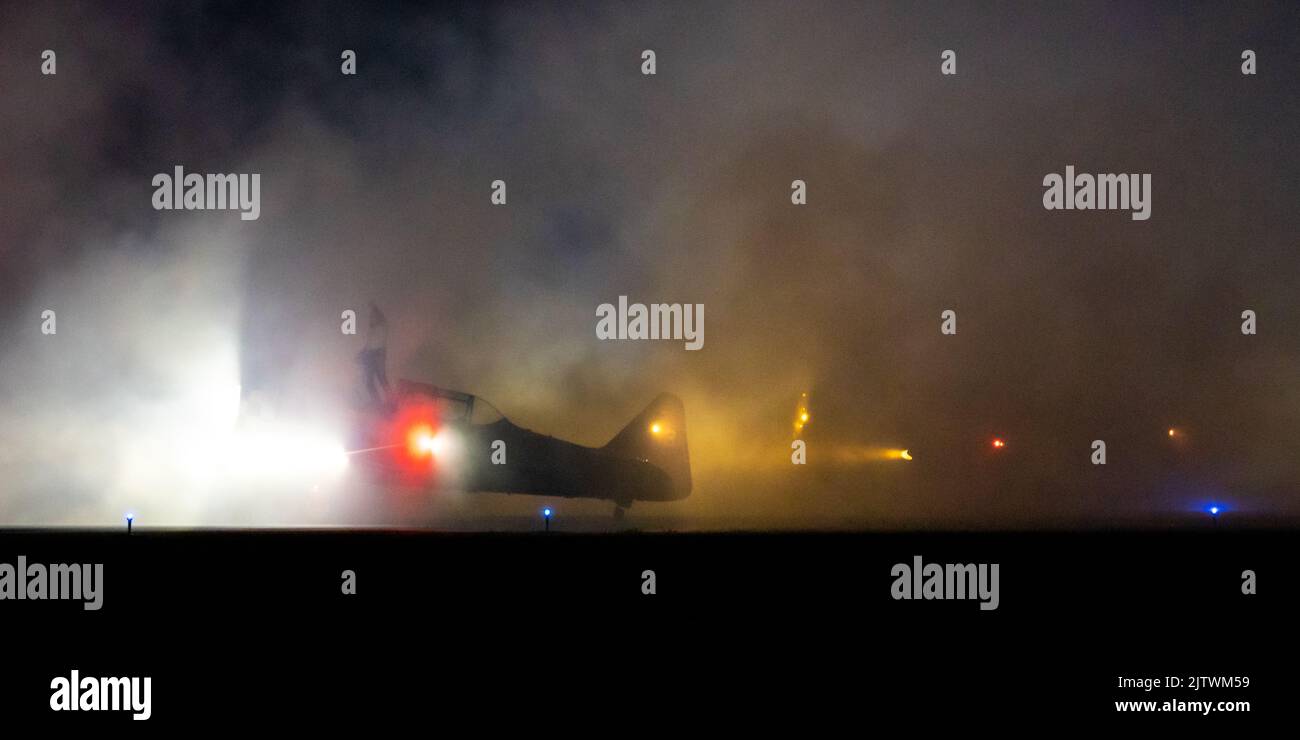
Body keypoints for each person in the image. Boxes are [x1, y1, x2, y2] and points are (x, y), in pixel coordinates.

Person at [358, 302, 391, 409]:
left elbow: (382, 318)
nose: (371, 318)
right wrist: (362, 353)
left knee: (380, 379)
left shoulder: (382, 325)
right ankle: (380, 404)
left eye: (373, 316)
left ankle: (390, 404)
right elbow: (369, 344)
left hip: (377, 354)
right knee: (371, 382)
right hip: (371, 355)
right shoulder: (373, 329)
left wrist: (374, 307)